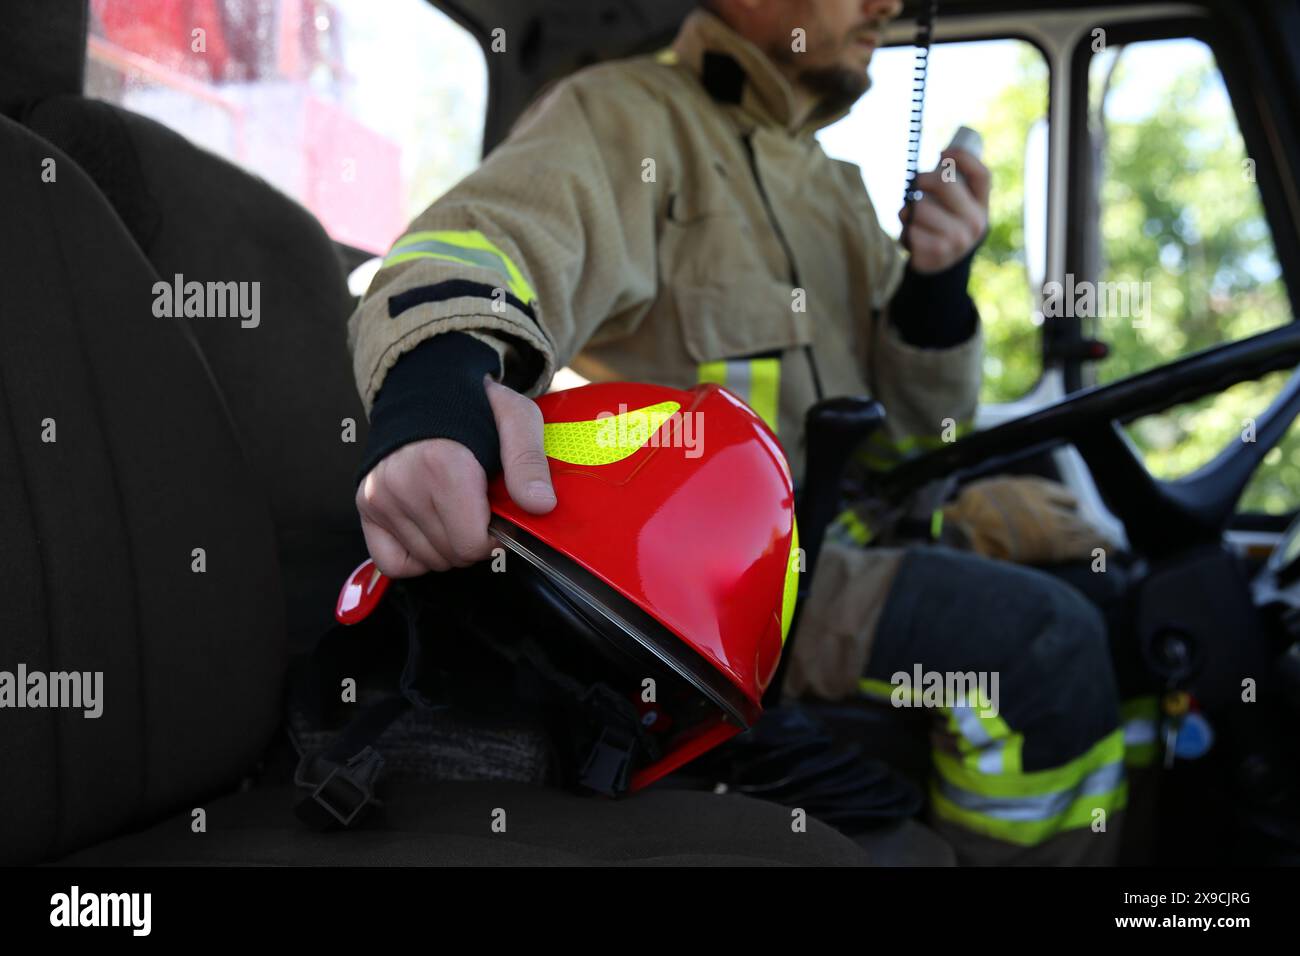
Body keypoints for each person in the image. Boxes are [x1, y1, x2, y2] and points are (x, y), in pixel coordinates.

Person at [346, 0, 1125, 864]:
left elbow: (913, 441)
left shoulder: (835, 188)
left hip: (851, 546)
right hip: (723, 586)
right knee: (1046, 645)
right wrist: (437, 393)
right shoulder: (626, 115)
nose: (889, 6)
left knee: (1101, 590)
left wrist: (937, 290)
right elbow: (480, 247)